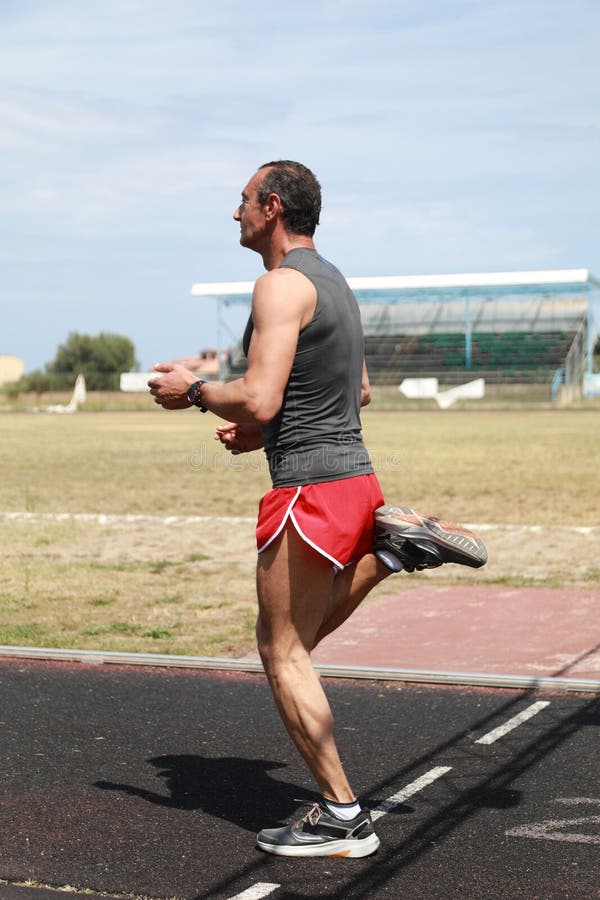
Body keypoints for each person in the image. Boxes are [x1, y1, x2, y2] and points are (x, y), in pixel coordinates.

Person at [148, 160, 487, 858]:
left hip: (309, 487)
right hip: (356, 480)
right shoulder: (336, 283)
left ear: (272, 208)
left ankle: (343, 816)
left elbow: (265, 394)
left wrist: (197, 391)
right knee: (294, 642)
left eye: (242, 201)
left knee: (280, 650)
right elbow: (354, 390)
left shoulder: (278, 285)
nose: (234, 212)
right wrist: (258, 432)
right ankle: (396, 550)